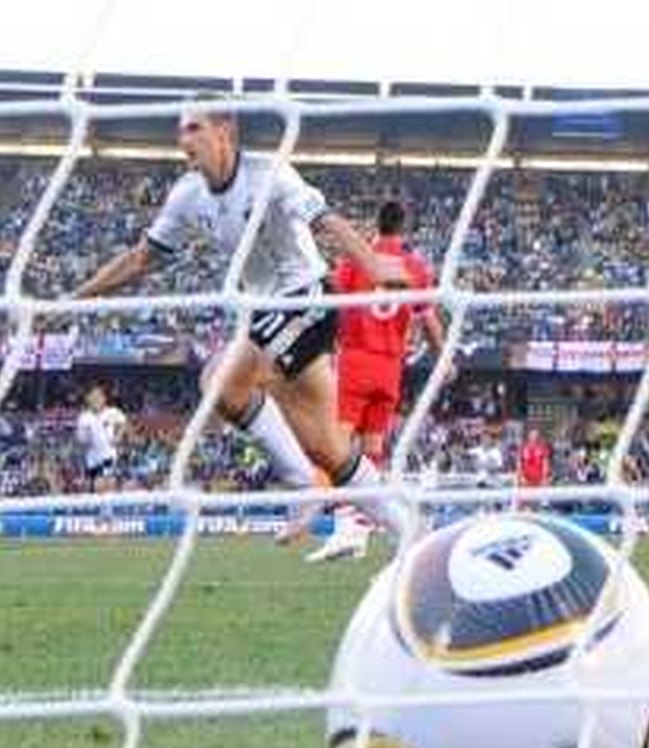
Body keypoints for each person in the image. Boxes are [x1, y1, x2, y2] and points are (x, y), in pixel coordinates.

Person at [70, 98, 412, 539]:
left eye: (193, 128)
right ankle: (408, 531)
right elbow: (140, 259)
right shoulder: (187, 195)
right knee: (325, 446)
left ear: (224, 131)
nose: (183, 140)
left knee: (221, 382)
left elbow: (326, 219)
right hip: (267, 312)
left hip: (307, 298)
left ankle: (303, 487)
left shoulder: (267, 174)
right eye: (181, 131)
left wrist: (373, 264)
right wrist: (74, 297)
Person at [299, 199, 445, 563]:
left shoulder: (356, 261)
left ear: (375, 226)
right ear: (404, 226)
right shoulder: (416, 268)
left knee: (338, 447)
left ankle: (344, 528)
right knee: (373, 450)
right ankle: (363, 531)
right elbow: (428, 322)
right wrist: (443, 358)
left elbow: (329, 306)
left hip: (357, 359)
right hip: (391, 368)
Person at [75, 384, 128, 493]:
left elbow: (123, 422)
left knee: (105, 483)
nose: (96, 400)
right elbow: (81, 440)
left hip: (108, 454)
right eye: (93, 397)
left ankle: (109, 506)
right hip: (92, 457)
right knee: (97, 487)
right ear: (88, 399)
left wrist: (118, 436)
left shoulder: (112, 412)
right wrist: (86, 439)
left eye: (98, 397)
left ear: (104, 398)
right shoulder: (84, 417)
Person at [516, 427, 552, 510]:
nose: (534, 437)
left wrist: (544, 477)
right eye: (532, 435)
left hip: (538, 479)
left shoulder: (543, 448)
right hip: (526, 479)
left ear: (538, 437)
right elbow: (519, 463)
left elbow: (545, 463)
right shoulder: (523, 448)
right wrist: (521, 476)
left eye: (536, 435)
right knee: (524, 501)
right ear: (529, 436)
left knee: (537, 501)